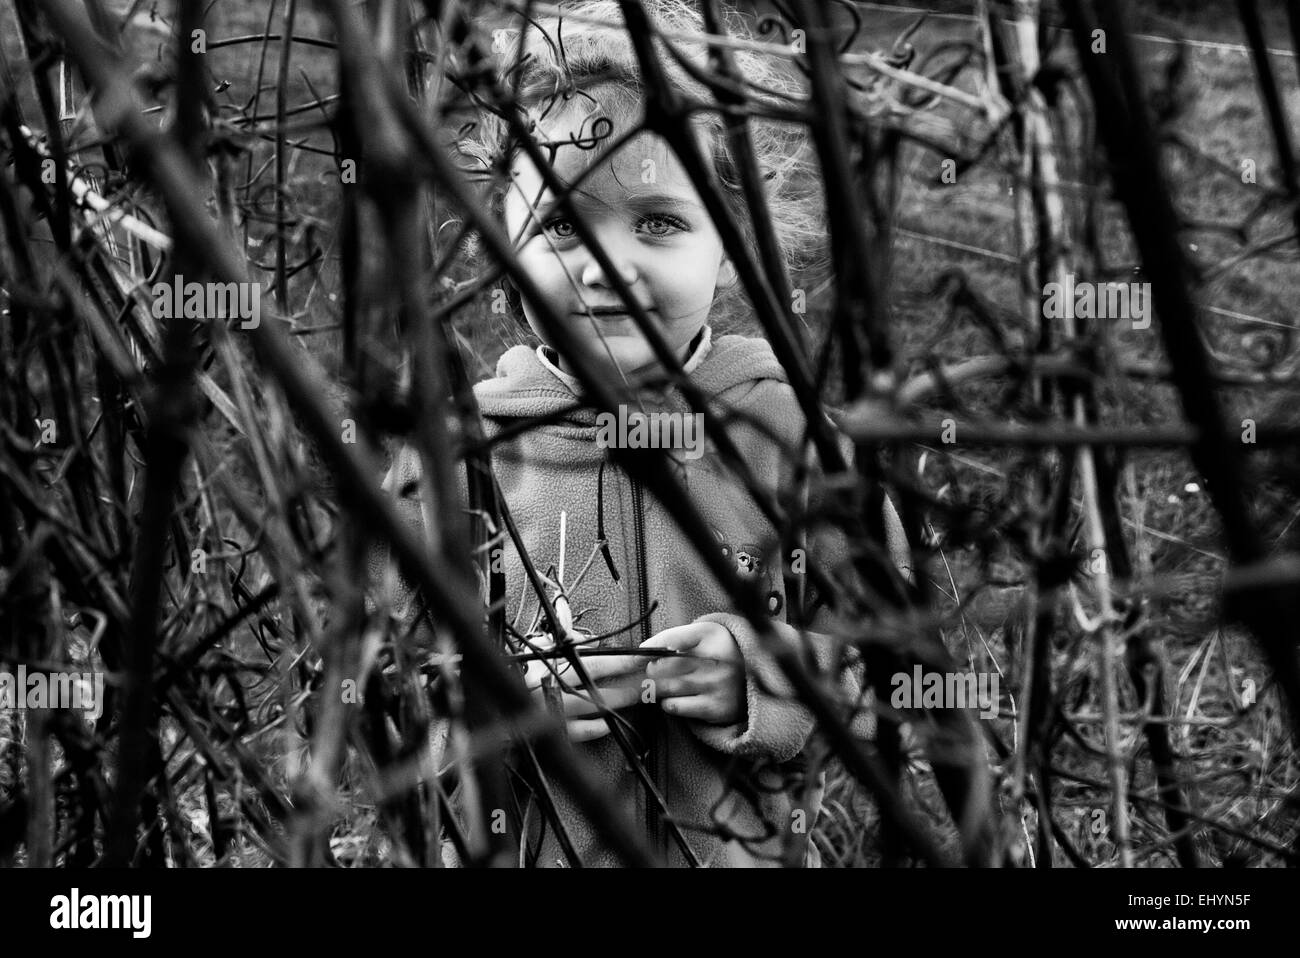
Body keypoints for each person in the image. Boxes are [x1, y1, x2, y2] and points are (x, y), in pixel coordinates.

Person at [376, 0, 909, 866]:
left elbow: (888, 652)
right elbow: (381, 686)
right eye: (558, 223)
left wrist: (765, 676)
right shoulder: (459, 460)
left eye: (658, 222)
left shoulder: (786, 435)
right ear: (500, 242)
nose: (606, 264)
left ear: (732, 244)